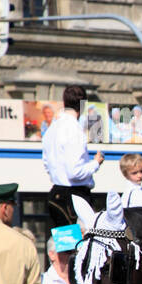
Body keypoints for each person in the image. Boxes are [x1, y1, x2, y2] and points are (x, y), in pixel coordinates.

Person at [42, 85, 104, 228]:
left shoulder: (53, 128)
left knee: (64, 248)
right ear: (83, 104)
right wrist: (96, 162)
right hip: (74, 198)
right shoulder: (74, 130)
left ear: (64, 102)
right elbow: (74, 172)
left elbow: (47, 163)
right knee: (79, 247)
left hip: (57, 193)